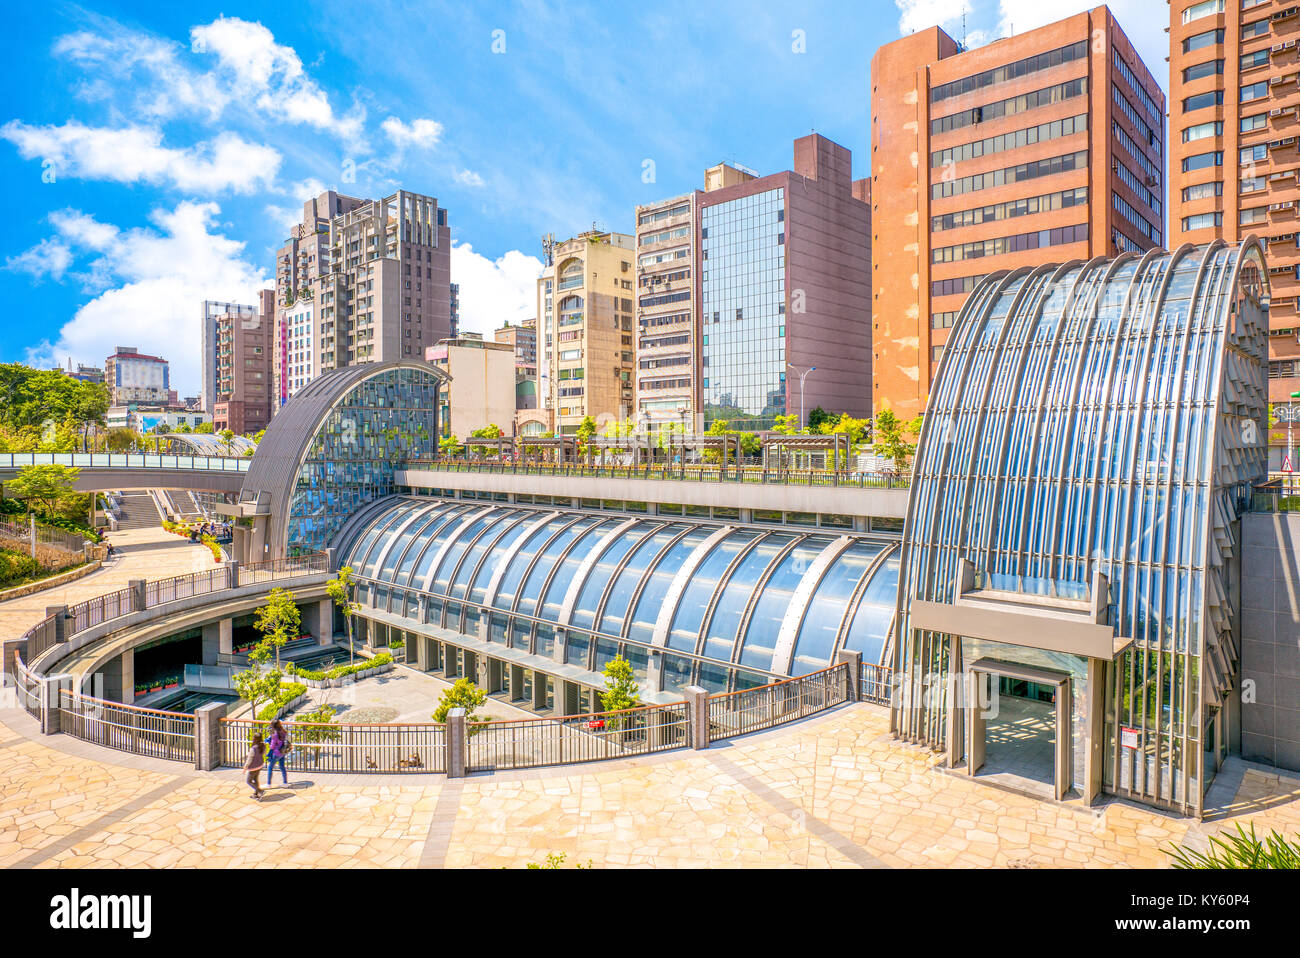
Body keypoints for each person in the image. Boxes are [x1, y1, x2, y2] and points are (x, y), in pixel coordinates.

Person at [265, 720, 291, 788]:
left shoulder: (275, 734)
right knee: (282, 767)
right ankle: (285, 783)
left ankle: (268, 784)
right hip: (282, 752)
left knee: (270, 767)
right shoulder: (283, 731)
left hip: (276, 753)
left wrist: (268, 743)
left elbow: (272, 746)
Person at [244, 732, 266, 800]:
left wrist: (245, 767)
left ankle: (260, 791)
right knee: (256, 779)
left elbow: (249, 759)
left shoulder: (253, 749)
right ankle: (256, 794)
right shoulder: (263, 746)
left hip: (253, 767)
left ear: (255, 739)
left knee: (249, 781)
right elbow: (264, 753)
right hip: (260, 765)